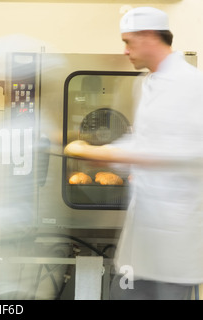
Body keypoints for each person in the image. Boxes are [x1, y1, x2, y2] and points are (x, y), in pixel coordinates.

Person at [65, 6, 203, 299]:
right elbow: (142, 142)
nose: (126, 51)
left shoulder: (192, 84)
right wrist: (101, 151)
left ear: (150, 36)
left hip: (174, 240)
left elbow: (177, 152)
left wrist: (101, 153)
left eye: (128, 41)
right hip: (144, 235)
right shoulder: (148, 84)